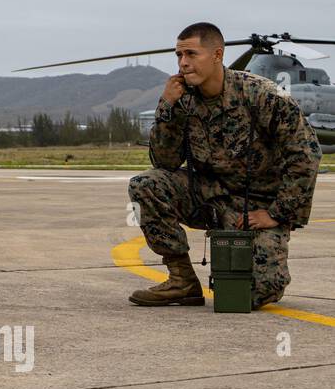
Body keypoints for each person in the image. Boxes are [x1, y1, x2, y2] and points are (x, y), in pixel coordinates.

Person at [128, 22, 321, 309]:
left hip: (255, 206)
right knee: (145, 185)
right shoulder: (182, 100)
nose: (183, 63)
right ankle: (182, 281)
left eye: (191, 54)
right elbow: (165, 162)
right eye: (179, 55)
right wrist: (166, 107)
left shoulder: (260, 95)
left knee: (255, 293)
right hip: (207, 197)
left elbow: (306, 154)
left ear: (217, 55)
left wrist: (276, 213)